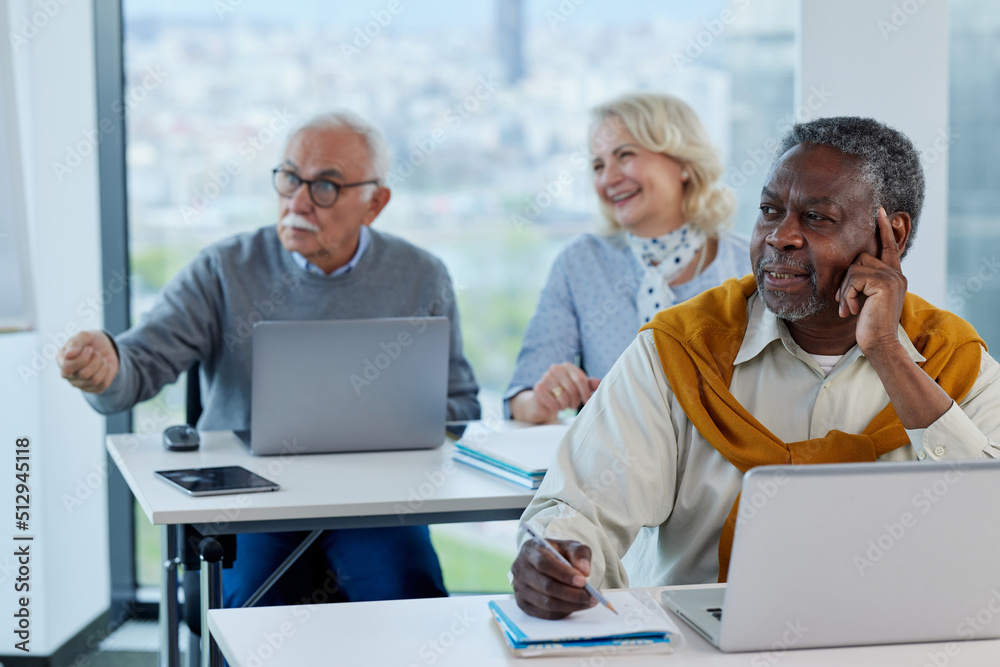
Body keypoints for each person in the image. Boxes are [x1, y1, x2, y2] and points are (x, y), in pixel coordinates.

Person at [510, 116, 1000, 619]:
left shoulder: (952, 359)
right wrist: (554, 557)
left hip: (898, 640)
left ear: (889, 234)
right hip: (697, 649)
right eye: (770, 211)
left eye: (817, 218)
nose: (779, 236)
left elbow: (989, 520)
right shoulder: (679, 349)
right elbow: (580, 509)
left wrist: (886, 351)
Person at [57, 110, 481, 606]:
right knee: (256, 611)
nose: (298, 201)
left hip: (375, 505)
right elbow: (139, 364)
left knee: (409, 598)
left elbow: (461, 407)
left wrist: (413, 422)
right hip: (253, 501)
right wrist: (107, 367)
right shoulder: (224, 268)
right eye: (289, 179)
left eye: (325, 186)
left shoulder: (421, 275)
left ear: (375, 202)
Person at [506, 93, 751, 424]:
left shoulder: (749, 264)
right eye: (598, 165)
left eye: (625, 156)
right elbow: (521, 394)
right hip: (614, 467)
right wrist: (540, 401)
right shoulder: (580, 262)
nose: (608, 178)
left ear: (682, 163)